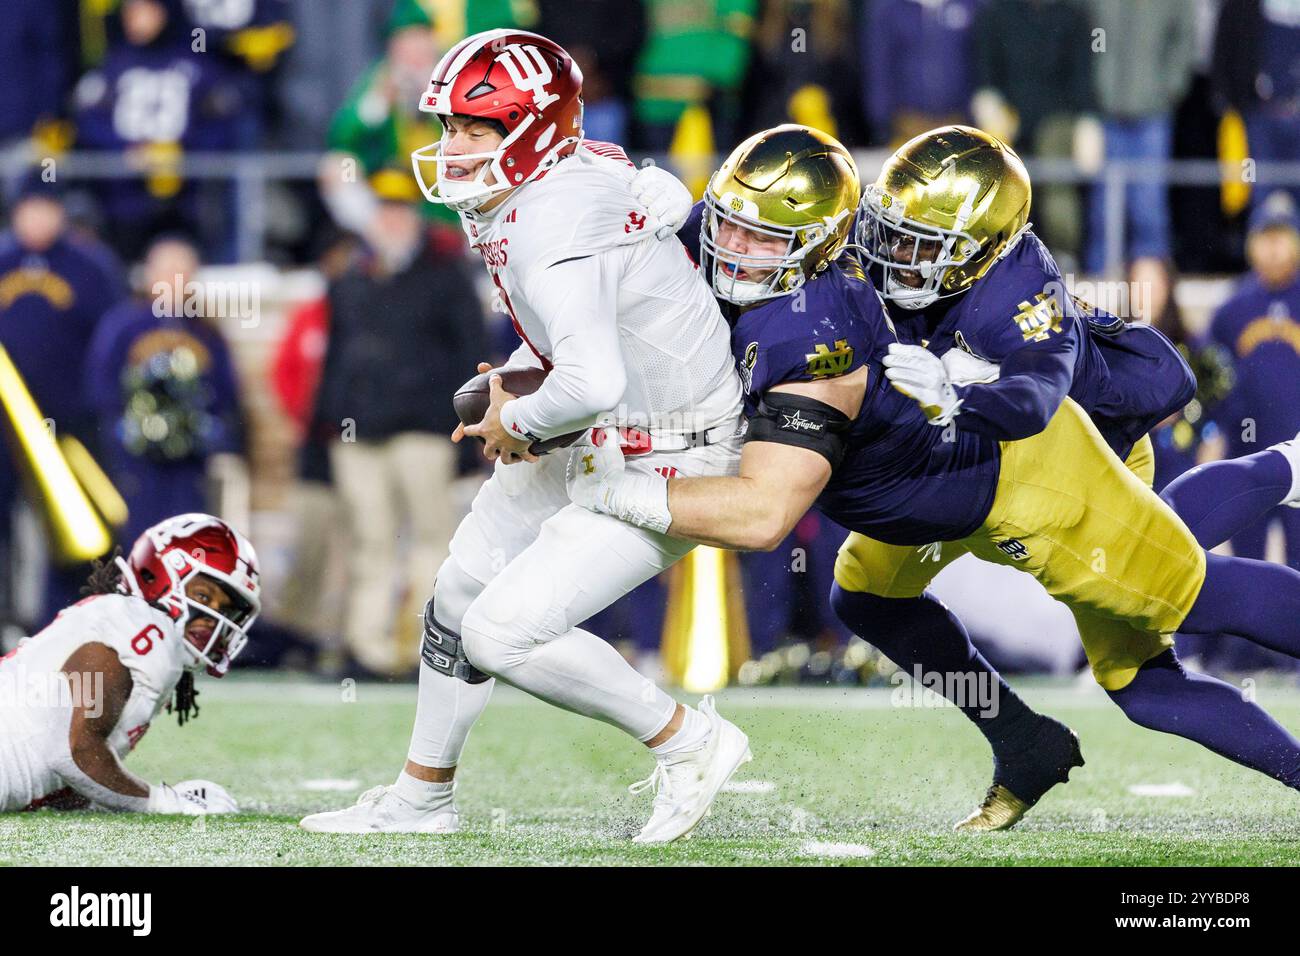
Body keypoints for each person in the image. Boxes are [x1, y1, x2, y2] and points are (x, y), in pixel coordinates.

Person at [569, 122, 1300, 835]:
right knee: (866, 596)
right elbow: (754, 226)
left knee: (1164, 635)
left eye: (919, 247)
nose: (889, 254)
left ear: (981, 252)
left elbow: (1035, 398)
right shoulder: (851, 232)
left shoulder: (1020, 293)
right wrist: (647, 217)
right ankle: (1024, 740)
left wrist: (964, 398)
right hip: (939, 470)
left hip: (1038, 466)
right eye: (885, 230)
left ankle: (1279, 469)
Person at [300, 30, 752, 844]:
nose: (453, 148)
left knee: (501, 632)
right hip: (610, 424)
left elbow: (593, 380)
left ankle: (691, 741)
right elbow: (608, 285)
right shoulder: (545, 183)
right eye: (449, 127)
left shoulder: (549, 215)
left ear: (534, 129)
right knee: (456, 596)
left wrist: (518, 418)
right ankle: (422, 797)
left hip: (669, 449)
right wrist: (517, 377)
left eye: (478, 129)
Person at [315, 170, 483, 677]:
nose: (391, 219)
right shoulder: (353, 276)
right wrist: (325, 424)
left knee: (432, 541)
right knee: (371, 542)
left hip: (424, 429)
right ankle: (369, 648)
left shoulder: (445, 274)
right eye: (383, 210)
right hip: (359, 431)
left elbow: (471, 354)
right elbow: (336, 356)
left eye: (400, 210)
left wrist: (464, 430)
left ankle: (422, 646)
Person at [0, 513, 259, 814]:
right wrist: (164, 801)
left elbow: (59, 764)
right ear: (157, 576)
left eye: (226, 609)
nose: (212, 617)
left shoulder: (119, 621)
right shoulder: (140, 628)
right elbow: (75, 753)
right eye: (203, 595)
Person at [0, 176, 127, 627]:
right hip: (4, 426)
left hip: (69, 421)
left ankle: (71, 619)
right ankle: (8, 616)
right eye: (28, 208)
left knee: (77, 525)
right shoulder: (3, 259)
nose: (36, 218)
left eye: (45, 208)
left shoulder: (90, 268)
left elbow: (113, 340)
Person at [84, 235, 243, 548]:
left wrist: (208, 434)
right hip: (136, 462)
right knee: (141, 540)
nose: (173, 280)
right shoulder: (124, 325)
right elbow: (101, 387)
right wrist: (123, 436)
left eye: (181, 272)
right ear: (149, 274)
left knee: (188, 538)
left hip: (190, 463)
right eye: (166, 271)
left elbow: (225, 392)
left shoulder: (205, 329)